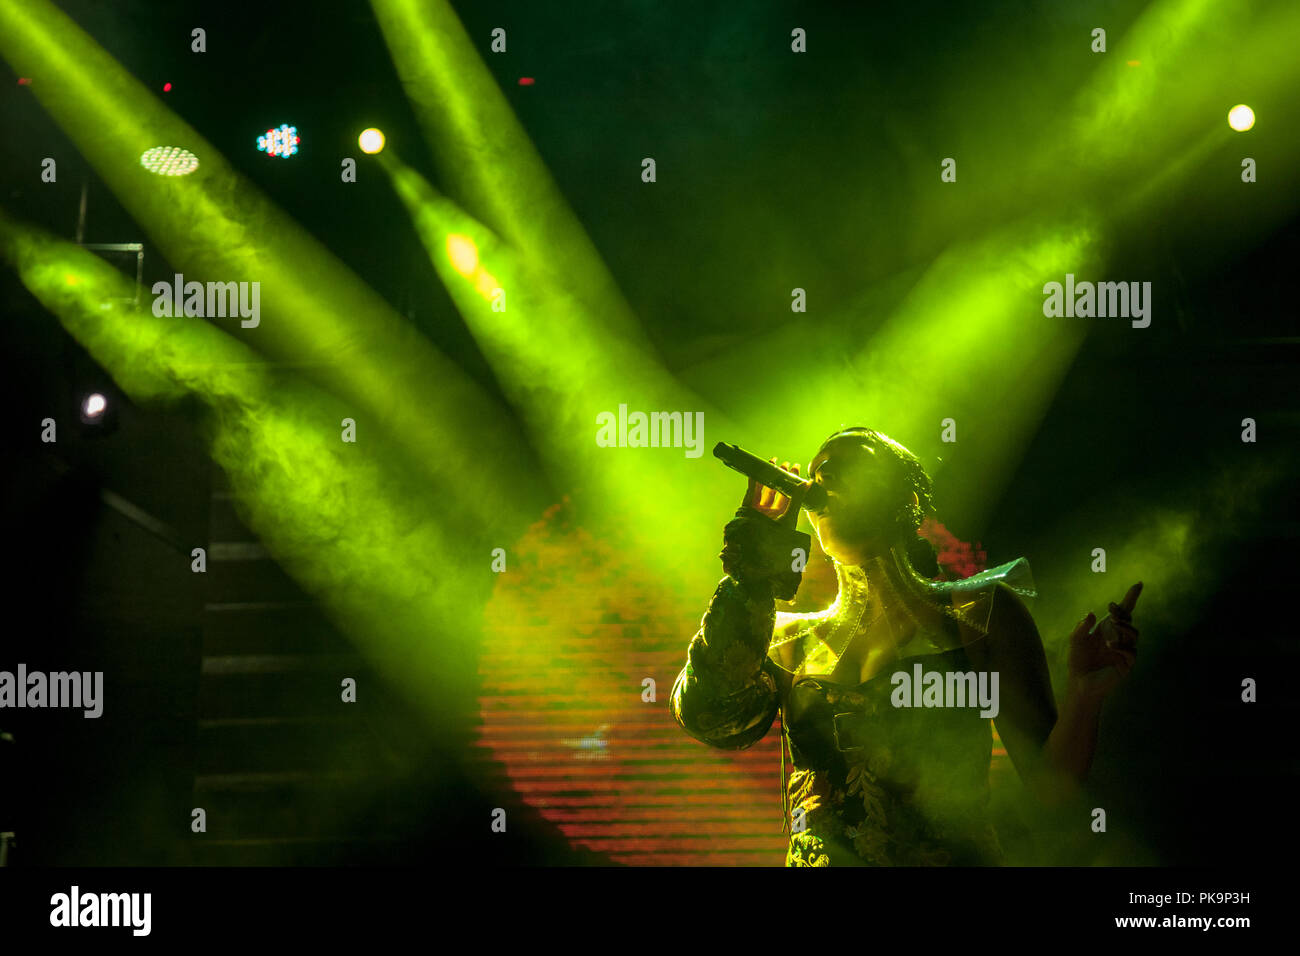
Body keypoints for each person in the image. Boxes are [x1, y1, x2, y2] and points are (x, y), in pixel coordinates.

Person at [669, 426, 1141, 866]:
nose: (823, 474)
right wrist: (755, 562)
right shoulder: (788, 638)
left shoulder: (978, 613)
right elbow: (710, 717)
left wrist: (1084, 693)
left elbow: (1050, 787)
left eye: (850, 464)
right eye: (818, 470)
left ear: (906, 501)